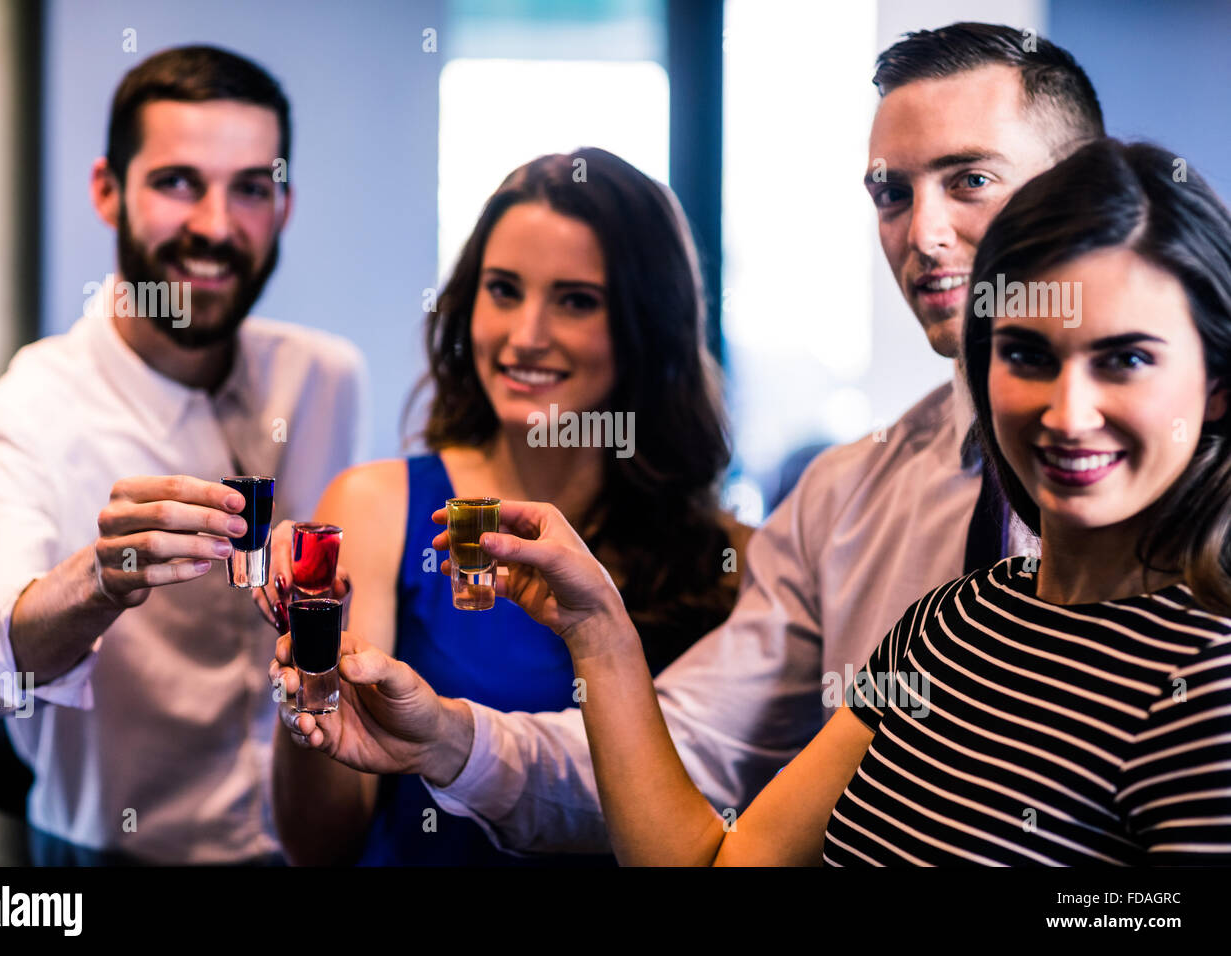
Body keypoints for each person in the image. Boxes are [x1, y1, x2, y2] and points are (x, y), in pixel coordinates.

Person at [268, 23, 1108, 856]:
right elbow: (684, 763)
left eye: (970, 179)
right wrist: (447, 739)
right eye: (891, 193)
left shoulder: (1185, 506)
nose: (922, 233)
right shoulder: (840, 502)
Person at [429, 138, 1231, 865]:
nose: (1068, 411)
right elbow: (713, 863)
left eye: (1125, 359)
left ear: (1218, 386)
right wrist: (597, 632)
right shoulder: (947, 624)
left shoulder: (1208, 681)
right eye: (1026, 354)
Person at [0, 45, 365, 864]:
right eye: (177, 182)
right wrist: (98, 578)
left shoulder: (326, 379)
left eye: (250, 188)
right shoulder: (28, 411)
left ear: (285, 205)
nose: (213, 224)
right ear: (106, 190)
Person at [262, 148, 751, 865]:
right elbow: (319, 845)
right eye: (503, 290)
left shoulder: (733, 557)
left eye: (576, 300)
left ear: (651, 326)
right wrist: (310, 689)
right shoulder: (379, 506)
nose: (525, 336)